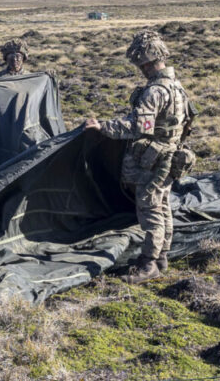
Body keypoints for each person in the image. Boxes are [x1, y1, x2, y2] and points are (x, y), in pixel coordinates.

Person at [83, 31, 195, 282]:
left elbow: (139, 127)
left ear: (150, 61)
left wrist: (103, 127)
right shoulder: (177, 87)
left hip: (153, 161)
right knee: (163, 207)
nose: (142, 69)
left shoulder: (155, 91)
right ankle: (161, 256)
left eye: (143, 64)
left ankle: (149, 264)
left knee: (151, 211)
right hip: (170, 157)